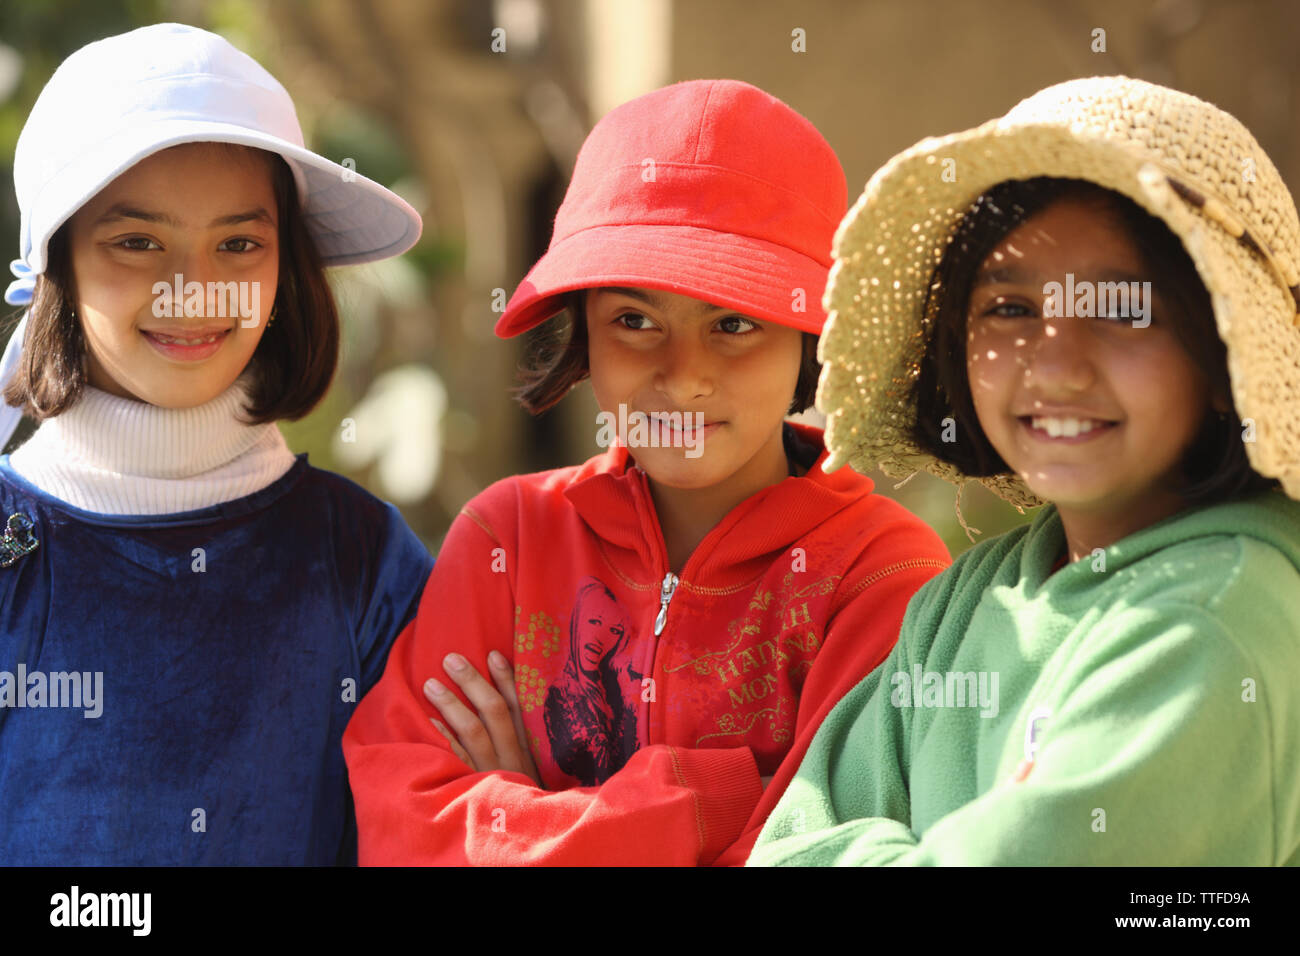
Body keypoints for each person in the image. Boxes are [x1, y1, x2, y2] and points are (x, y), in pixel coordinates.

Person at [343, 79, 952, 865]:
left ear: (810, 339)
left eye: (734, 323)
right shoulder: (507, 538)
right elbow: (400, 827)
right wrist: (706, 803)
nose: (683, 376)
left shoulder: (882, 577)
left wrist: (521, 822)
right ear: (583, 331)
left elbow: (830, 847)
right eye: (634, 321)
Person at [749, 75, 1300, 866]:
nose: (1056, 367)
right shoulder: (967, 602)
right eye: (1010, 310)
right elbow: (785, 843)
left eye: (1123, 311)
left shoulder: (1215, 621)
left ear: (1227, 362)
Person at [0, 23, 434, 864]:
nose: (192, 289)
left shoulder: (365, 559)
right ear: (57, 262)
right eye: (137, 242)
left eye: (238, 244)